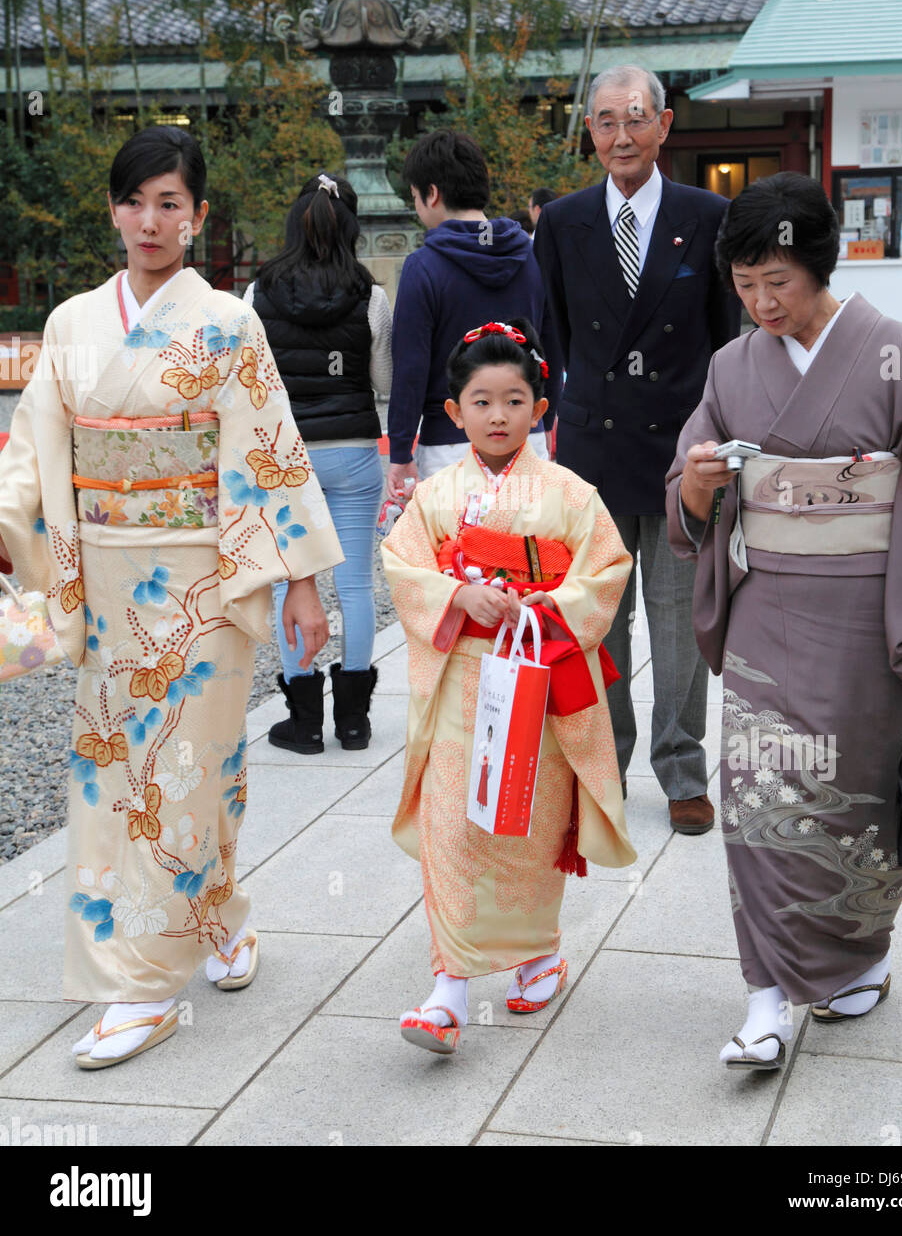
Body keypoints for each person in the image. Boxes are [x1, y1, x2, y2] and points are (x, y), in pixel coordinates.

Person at [0, 126, 343, 1069]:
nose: (149, 221)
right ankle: (221, 916)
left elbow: (269, 457)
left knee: (187, 766)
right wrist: (5, 519)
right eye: (134, 201)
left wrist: (303, 586)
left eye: (169, 204)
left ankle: (144, 987)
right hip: (105, 578)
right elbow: (33, 450)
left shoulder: (229, 323)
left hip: (201, 579)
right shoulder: (72, 322)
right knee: (119, 772)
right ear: (112, 209)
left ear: (197, 219)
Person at [665, 172, 902, 1070]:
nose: (761, 303)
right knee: (757, 802)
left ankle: (851, 964)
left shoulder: (893, 353)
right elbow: (689, 483)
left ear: (818, 267)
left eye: (778, 283)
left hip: (868, 617)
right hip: (765, 614)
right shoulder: (730, 368)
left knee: (857, 805)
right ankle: (763, 998)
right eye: (745, 284)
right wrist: (695, 483)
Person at [381, 318, 635, 1055]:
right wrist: (457, 598)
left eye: (514, 400)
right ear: (453, 412)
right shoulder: (435, 495)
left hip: (538, 675)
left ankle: (538, 951)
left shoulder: (569, 492)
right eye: (481, 401)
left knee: (525, 824)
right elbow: (405, 567)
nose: (498, 415)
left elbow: (607, 568)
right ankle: (448, 991)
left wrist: (549, 603)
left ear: (540, 409)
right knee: (454, 826)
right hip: (463, 676)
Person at [533, 64, 740, 825]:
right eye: (605, 121)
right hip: (593, 449)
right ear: (589, 132)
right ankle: (603, 764)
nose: (620, 135)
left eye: (634, 118)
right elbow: (552, 332)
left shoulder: (707, 215)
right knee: (601, 619)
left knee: (682, 616)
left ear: (663, 126)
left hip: (683, 450)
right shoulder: (561, 221)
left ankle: (682, 768)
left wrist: (717, 437)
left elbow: (727, 341)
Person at [244, 172, 391, 753]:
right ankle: (353, 722)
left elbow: (249, 381)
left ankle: (304, 720)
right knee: (354, 583)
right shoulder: (370, 295)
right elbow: (382, 380)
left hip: (285, 457)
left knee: (288, 584)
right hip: (353, 450)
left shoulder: (257, 293)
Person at [386, 131, 562, 503]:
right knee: (526, 555)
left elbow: (411, 366)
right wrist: (547, 419)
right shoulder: (532, 258)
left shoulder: (424, 267)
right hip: (523, 434)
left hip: (449, 441)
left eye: (415, 196)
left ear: (431, 194)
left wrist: (401, 451)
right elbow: (551, 346)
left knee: (457, 558)